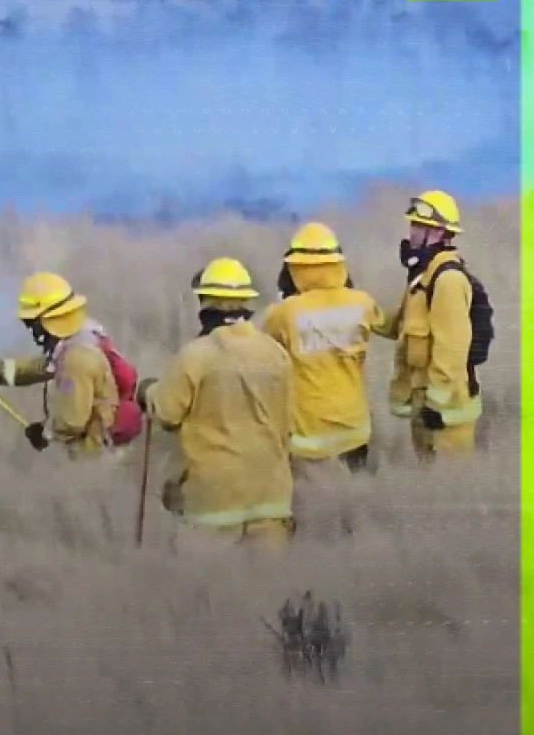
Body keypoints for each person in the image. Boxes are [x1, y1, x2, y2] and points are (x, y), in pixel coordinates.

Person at [136, 258, 295, 546]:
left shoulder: (195, 355)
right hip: (272, 494)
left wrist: (147, 392)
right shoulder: (276, 354)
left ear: (205, 302)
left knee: (211, 588)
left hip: (214, 501)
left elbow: (167, 414)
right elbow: (289, 423)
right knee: (272, 587)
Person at [0, 271, 133, 457]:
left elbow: (72, 422)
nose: (32, 330)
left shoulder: (77, 359)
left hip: (94, 450)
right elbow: (46, 367)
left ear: (46, 320)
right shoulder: (80, 336)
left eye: (32, 324)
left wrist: (45, 433)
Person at [260, 221, 388, 474]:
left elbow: (259, 348)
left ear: (294, 268)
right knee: (355, 500)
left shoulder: (284, 312)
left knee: (315, 506)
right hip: (355, 431)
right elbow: (390, 326)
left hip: (309, 439)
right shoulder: (362, 303)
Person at [382, 190, 481, 459]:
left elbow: (452, 347)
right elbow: (400, 325)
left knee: (450, 489)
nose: (412, 233)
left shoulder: (447, 279)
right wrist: (361, 313)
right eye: (413, 225)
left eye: (420, 227)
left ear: (441, 233)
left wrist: (436, 404)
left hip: (448, 414)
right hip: (427, 406)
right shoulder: (422, 276)